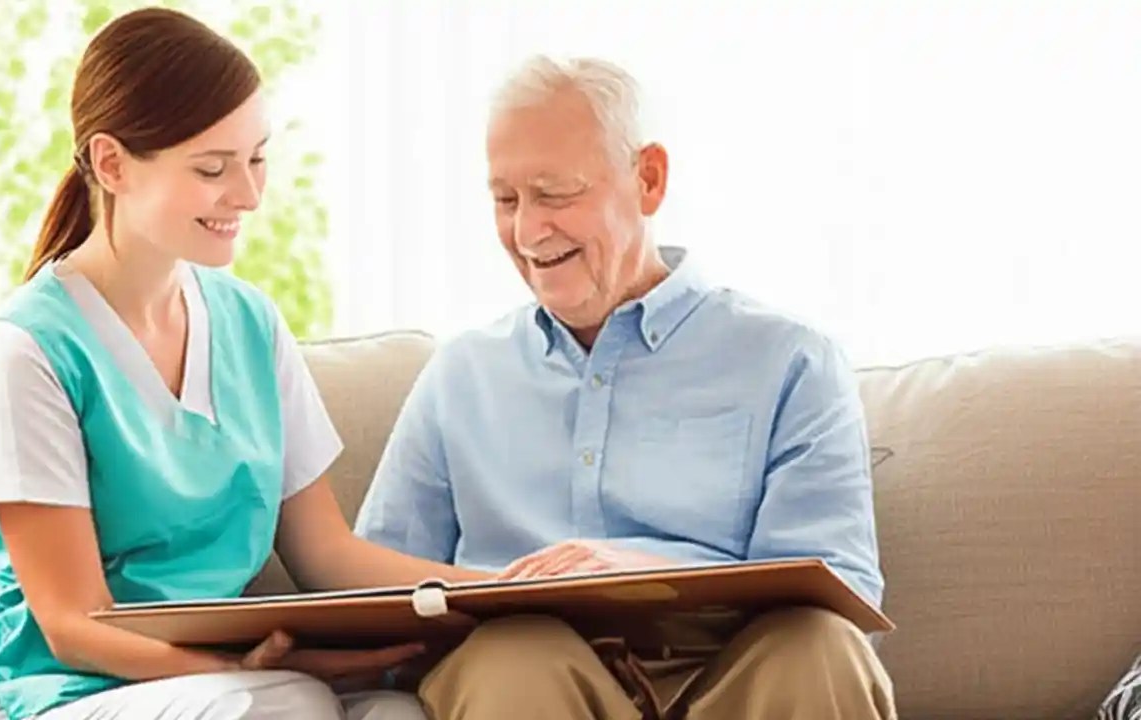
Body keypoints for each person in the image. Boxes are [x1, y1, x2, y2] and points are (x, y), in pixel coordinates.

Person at [0, 8, 488, 720]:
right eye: (212, 169)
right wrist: (250, 668)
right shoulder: (24, 351)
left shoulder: (251, 324)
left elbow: (325, 555)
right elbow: (72, 627)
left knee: (394, 715)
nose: (249, 195)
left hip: (229, 685)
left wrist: (488, 592)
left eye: (257, 159)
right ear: (111, 164)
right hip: (51, 693)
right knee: (288, 707)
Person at [355, 54, 896, 719]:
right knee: (512, 656)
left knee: (819, 645)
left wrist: (642, 573)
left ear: (648, 179)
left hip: (735, 668)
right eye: (506, 200)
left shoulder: (789, 361)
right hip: (521, 673)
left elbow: (841, 590)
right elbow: (375, 598)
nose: (527, 232)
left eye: (554, 194)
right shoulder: (459, 376)